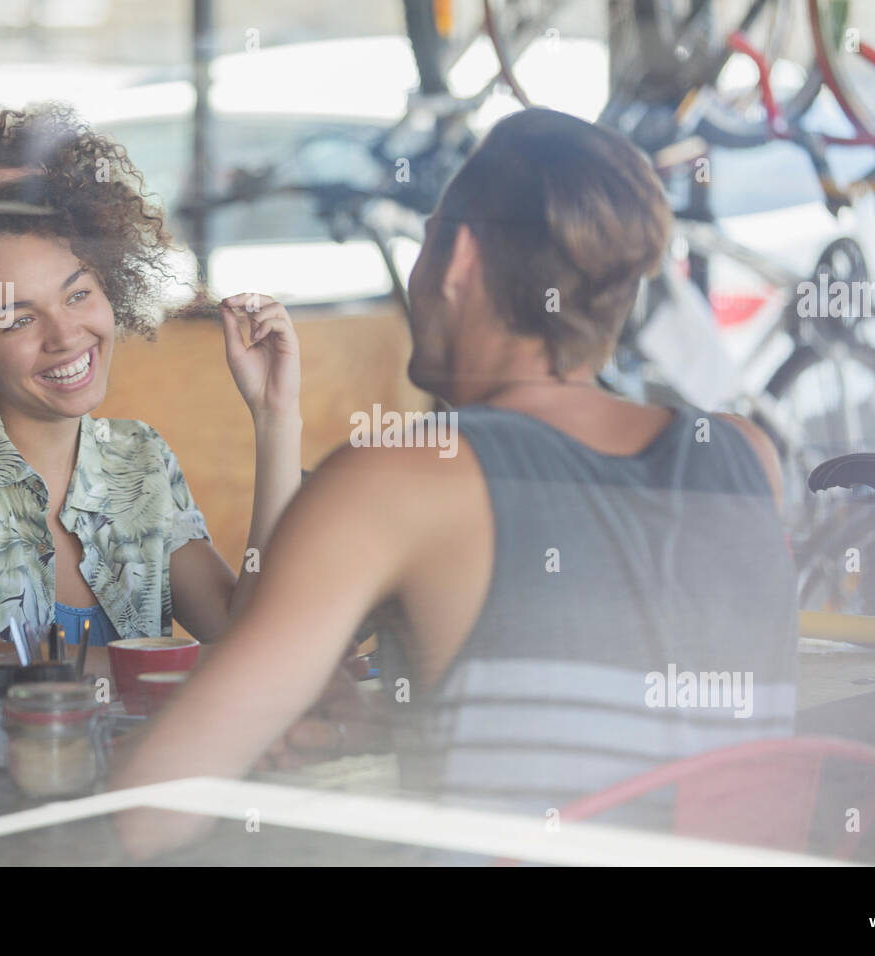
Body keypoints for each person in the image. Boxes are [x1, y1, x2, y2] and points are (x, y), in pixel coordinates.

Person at [113, 108, 800, 857]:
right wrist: (407, 722)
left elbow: (153, 808)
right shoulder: (741, 458)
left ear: (460, 257)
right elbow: (654, 749)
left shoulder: (404, 476)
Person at [0, 104, 302, 735]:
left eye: (78, 294)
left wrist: (275, 416)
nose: (66, 335)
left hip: (117, 805)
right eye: (18, 318)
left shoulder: (139, 460)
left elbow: (249, 626)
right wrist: (202, 672)